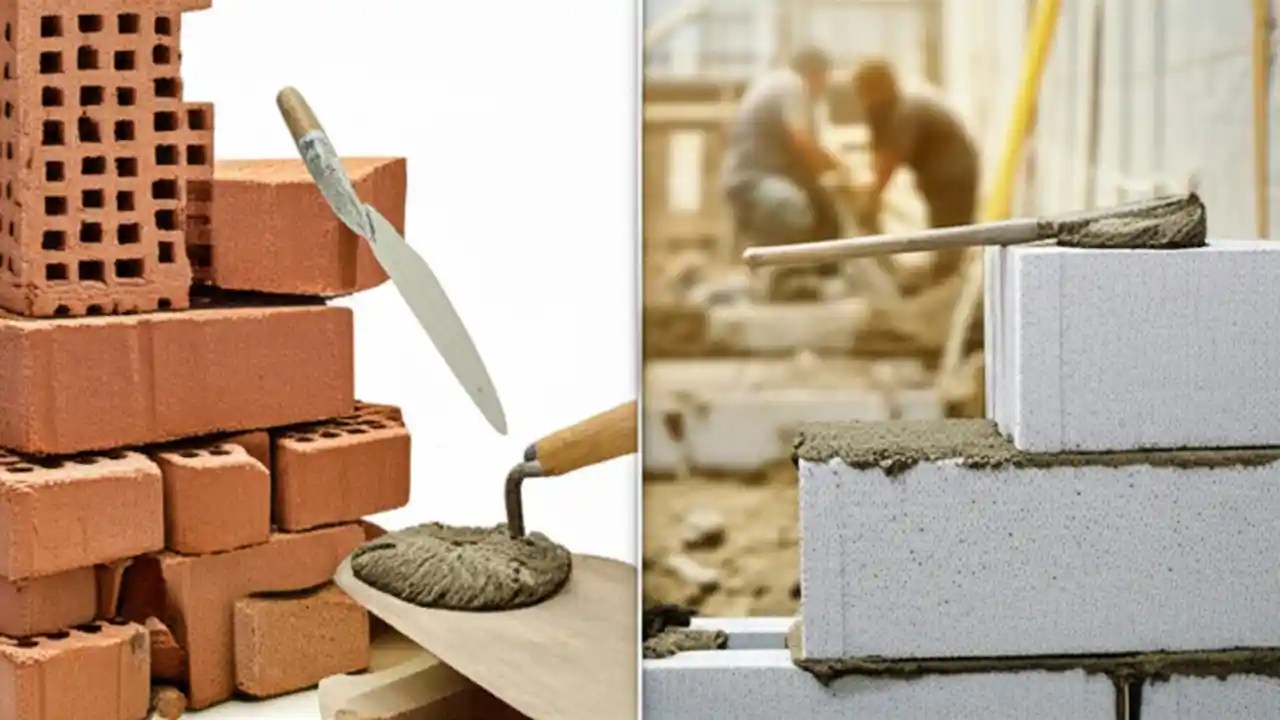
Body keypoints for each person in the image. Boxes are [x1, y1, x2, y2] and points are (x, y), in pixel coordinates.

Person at [852, 58, 980, 281]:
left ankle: (947, 280)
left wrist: (872, 199)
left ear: (882, 87)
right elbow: (879, 153)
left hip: (954, 174)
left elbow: (890, 159)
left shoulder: (907, 110)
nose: (863, 100)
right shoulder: (881, 112)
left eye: (865, 92)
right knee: (940, 230)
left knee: (949, 232)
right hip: (934, 175)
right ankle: (942, 271)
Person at [721, 47, 847, 249]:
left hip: (758, 176)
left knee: (824, 211)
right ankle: (786, 272)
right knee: (791, 210)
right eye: (826, 77)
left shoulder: (773, 83)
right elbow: (801, 139)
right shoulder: (791, 85)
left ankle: (807, 271)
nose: (826, 85)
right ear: (815, 73)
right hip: (755, 179)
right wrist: (839, 170)